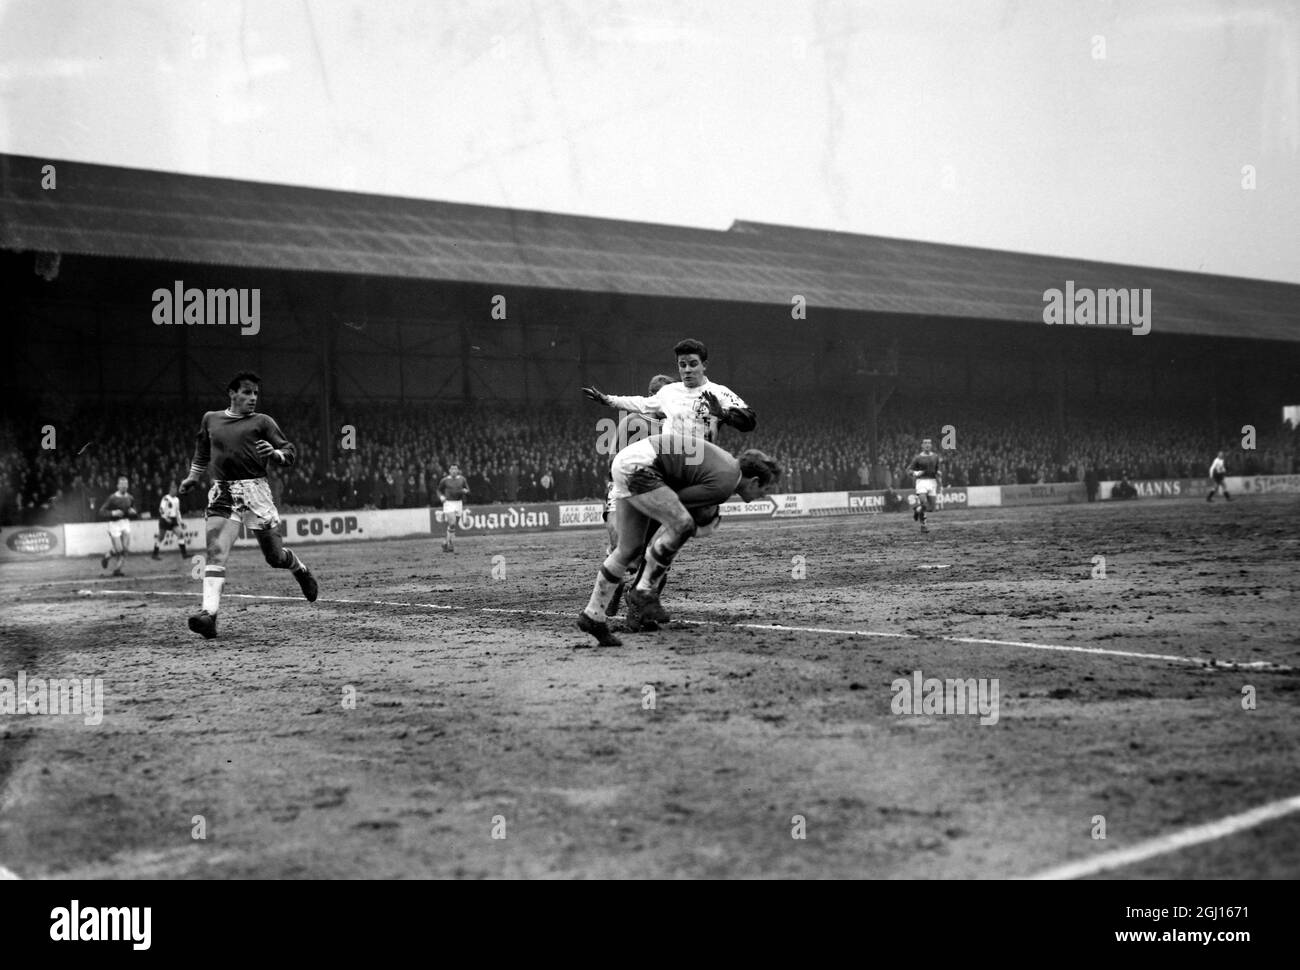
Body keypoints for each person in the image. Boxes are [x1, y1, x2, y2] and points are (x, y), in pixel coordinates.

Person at [583, 340, 756, 611]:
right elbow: (640, 403)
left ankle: (633, 604)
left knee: (663, 541)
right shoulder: (666, 396)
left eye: (692, 364)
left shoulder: (718, 393)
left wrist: (724, 415)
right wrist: (608, 400)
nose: (687, 370)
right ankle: (627, 599)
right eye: (682, 365)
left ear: (704, 365)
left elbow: (749, 420)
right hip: (664, 475)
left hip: (696, 475)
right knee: (640, 545)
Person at [577, 435, 781, 645]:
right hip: (641, 467)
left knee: (628, 549)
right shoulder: (725, 485)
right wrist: (705, 518)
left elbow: (667, 498)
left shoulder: (727, 468)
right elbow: (677, 501)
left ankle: (593, 615)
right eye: (765, 490)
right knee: (683, 524)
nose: (763, 495)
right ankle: (643, 590)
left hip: (630, 462)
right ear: (755, 481)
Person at [179, 371, 318, 640]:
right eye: (246, 392)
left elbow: (289, 452)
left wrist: (275, 454)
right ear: (232, 393)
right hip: (223, 492)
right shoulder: (211, 419)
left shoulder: (263, 422)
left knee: (275, 557)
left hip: (256, 492)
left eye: (255, 393)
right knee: (215, 551)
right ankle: (209, 615)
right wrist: (193, 477)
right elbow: (202, 451)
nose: (252, 397)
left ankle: (299, 570)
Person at [99, 475, 136, 576]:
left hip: (125, 523)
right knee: (118, 550)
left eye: (126, 484)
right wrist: (113, 513)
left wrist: (133, 512)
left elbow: (134, 511)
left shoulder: (130, 498)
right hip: (114, 524)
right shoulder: (112, 498)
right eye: (122, 484)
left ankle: (117, 570)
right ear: (118, 486)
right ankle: (107, 556)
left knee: (125, 549)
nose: (124, 486)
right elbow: (101, 512)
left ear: (128, 486)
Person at [909, 437, 941, 533]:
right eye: (925, 443)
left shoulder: (935, 457)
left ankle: (917, 510)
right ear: (922, 446)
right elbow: (909, 470)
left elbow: (936, 470)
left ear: (931, 445)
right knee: (924, 503)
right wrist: (916, 473)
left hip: (932, 482)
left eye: (929, 443)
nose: (927, 444)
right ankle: (924, 526)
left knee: (931, 508)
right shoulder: (917, 458)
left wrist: (939, 477)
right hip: (921, 482)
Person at [437, 463, 470, 552]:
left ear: (458, 470)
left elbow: (468, 490)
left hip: (458, 503)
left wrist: (465, 491)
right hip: (448, 503)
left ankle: (448, 543)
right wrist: (441, 497)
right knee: (452, 523)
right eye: (452, 469)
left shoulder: (462, 479)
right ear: (449, 470)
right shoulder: (444, 480)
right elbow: (438, 490)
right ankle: (446, 542)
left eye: (455, 469)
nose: (454, 471)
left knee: (453, 526)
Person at [152, 481, 188, 560]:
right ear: (170, 490)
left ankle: (184, 554)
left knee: (180, 534)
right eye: (173, 488)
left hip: (173, 519)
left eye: (176, 488)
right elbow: (161, 509)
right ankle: (154, 554)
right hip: (165, 519)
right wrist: (166, 518)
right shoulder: (165, 498)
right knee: (161, 537)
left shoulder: (177, 500)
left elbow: (177, 512)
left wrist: (181, 522)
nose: (175, 490)